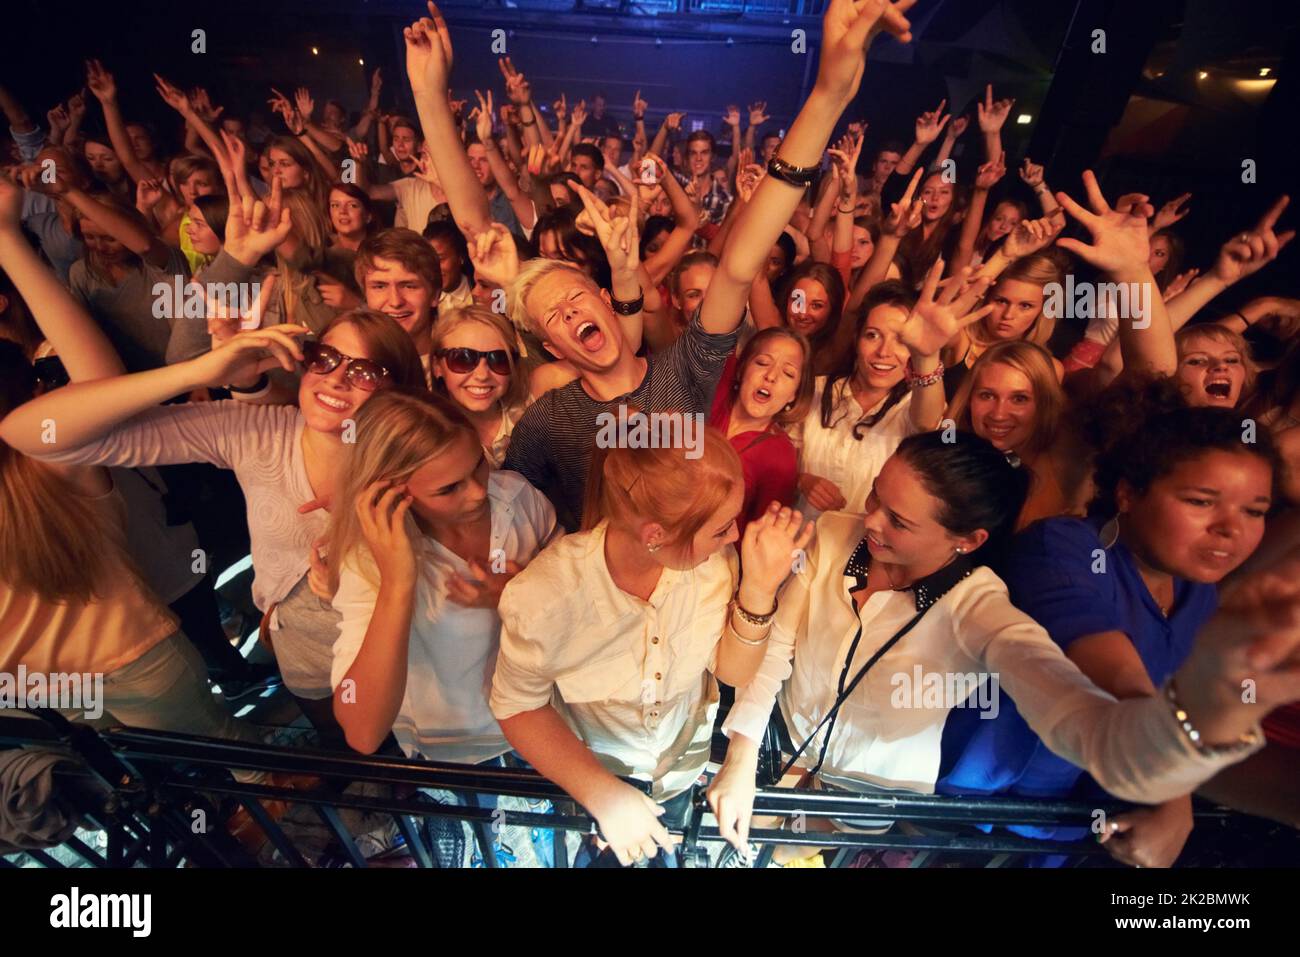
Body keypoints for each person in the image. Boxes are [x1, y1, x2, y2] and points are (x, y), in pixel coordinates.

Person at [707, 429, 1300, 863]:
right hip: (778, 754)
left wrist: (1207, 718)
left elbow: (1078, 717)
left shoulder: (980, 605)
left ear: (967, 541)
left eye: (899, 521)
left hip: (876, 800)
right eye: (877, 497)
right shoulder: (835, 535)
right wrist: (740, 762)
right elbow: (775, 651)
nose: (871, 521)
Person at [938, 399, 1280, 869]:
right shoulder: (1063, 547)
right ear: (1128, 494)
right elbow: (1116, 676)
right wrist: (1175, 796)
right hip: (967, 810)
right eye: (1201, 502)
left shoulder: (1199, 597)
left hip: (1070, 826)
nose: (1230, 529)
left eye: (1255, 511)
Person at [491, 430, 813, 867]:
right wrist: (601, 793)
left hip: (682, 767)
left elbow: (732, 672)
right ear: (656, 535)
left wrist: (759, 589)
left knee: (666, 843)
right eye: (721, 528)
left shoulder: (714, 567)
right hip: (592, 770)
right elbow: (517, 706)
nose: (735, 535)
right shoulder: (545, 599)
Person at [326, 389, 558, 866]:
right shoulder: (367, 565)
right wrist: (398, 582)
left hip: (546, 725)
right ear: (387, 494)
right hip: (460, 757)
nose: (477, 492)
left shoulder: (515, 496)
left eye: (477, 465)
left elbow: (574, 595)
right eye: (448, 489)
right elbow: (362, 730)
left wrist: (517, 594)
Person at [708, 327, 816, 535]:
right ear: (741, 370)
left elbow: (758, 537)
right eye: (762, 363)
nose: (771, 376)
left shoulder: (781, 457)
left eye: (788, 373)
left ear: (794, 395)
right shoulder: (714, 390)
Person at [429, 305, 529, 467]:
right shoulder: (426, 438)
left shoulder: (534, 415)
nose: (482, 375)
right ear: (437, 366)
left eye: (498, 359)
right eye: (462, 359)